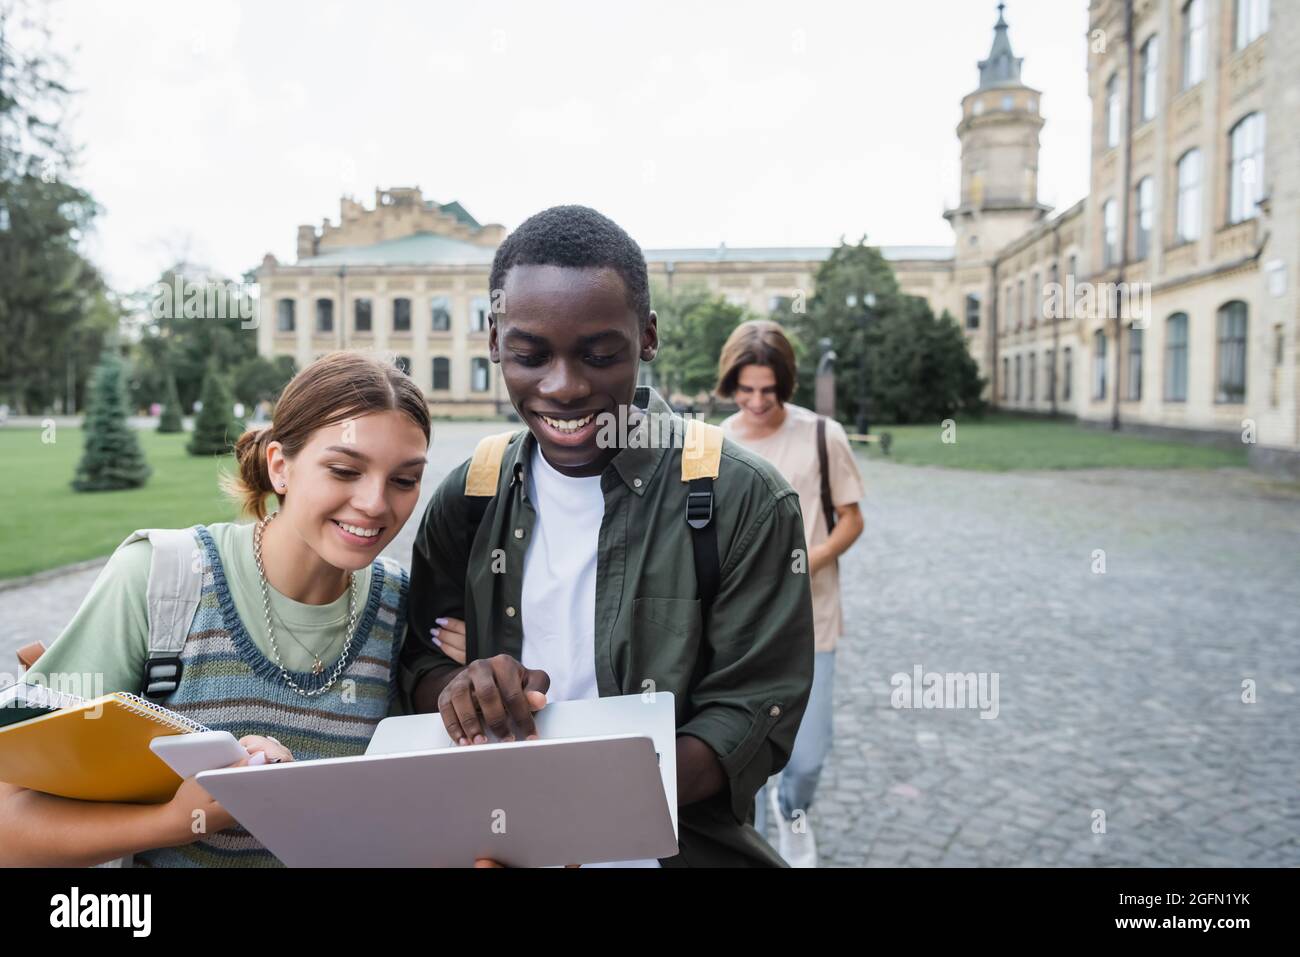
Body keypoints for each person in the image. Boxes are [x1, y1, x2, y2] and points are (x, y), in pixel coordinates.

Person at [400, 205, 815, 867]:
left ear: (646, 336)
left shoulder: (742, 498)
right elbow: (416, 663)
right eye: (530, 356)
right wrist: (458, 691)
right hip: (495, 846)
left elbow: (753, 706)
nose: (564, 387)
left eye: (599, 355)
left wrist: (584, 808)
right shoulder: (469, 496)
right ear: (493, 341)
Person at [0, 352, 437, 866]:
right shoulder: (160, 577)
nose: (375, 503)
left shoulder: (403, 604)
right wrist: (182, 817)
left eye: (404, 480)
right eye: (344, 470)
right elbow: (11, 825)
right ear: (280, 466)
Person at [716, 320, 865, 867]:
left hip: (811, 622)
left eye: (769, 391)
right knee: (739, 753)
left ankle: (794, 810)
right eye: (746, 389)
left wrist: (806, 562)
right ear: (731, 383)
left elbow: (851, 520)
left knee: (806, 758)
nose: (757, 401)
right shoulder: (715, 445)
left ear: (786, 386)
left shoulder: (823, 436)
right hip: (737, 630)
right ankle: (747, 844)